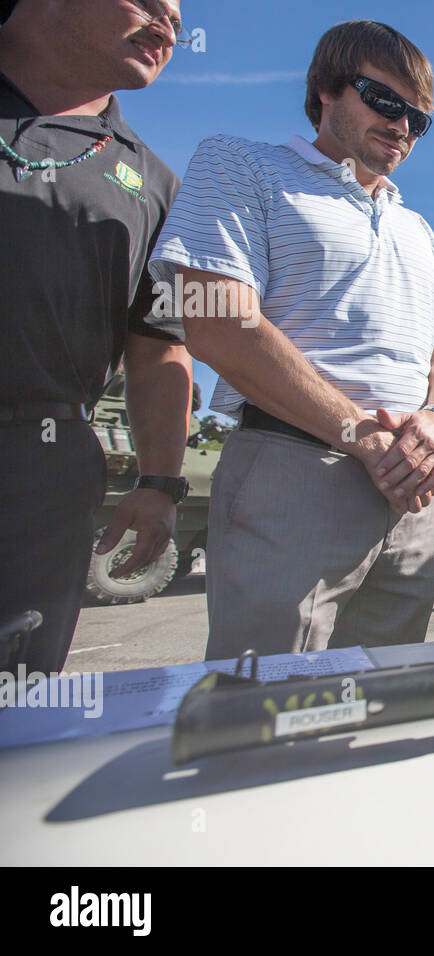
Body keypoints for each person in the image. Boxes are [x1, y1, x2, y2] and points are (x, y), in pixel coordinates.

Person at [149, 20, 434, 660]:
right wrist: (361, 434)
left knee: (380, 700)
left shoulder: (417, 226)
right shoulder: (242, 165)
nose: (403, 126)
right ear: (325, 88)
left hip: (410, 492)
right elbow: (215, 320)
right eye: (385, 101)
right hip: (295, 471)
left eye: (419, 119)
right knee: (267, 709)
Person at [0, 0, 192, 673]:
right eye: (150, 4)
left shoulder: (158, 186)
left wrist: (160, 482)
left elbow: (160, 345)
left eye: (178, 16)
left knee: (16, 704)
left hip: (38, 469)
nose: (170, 26)